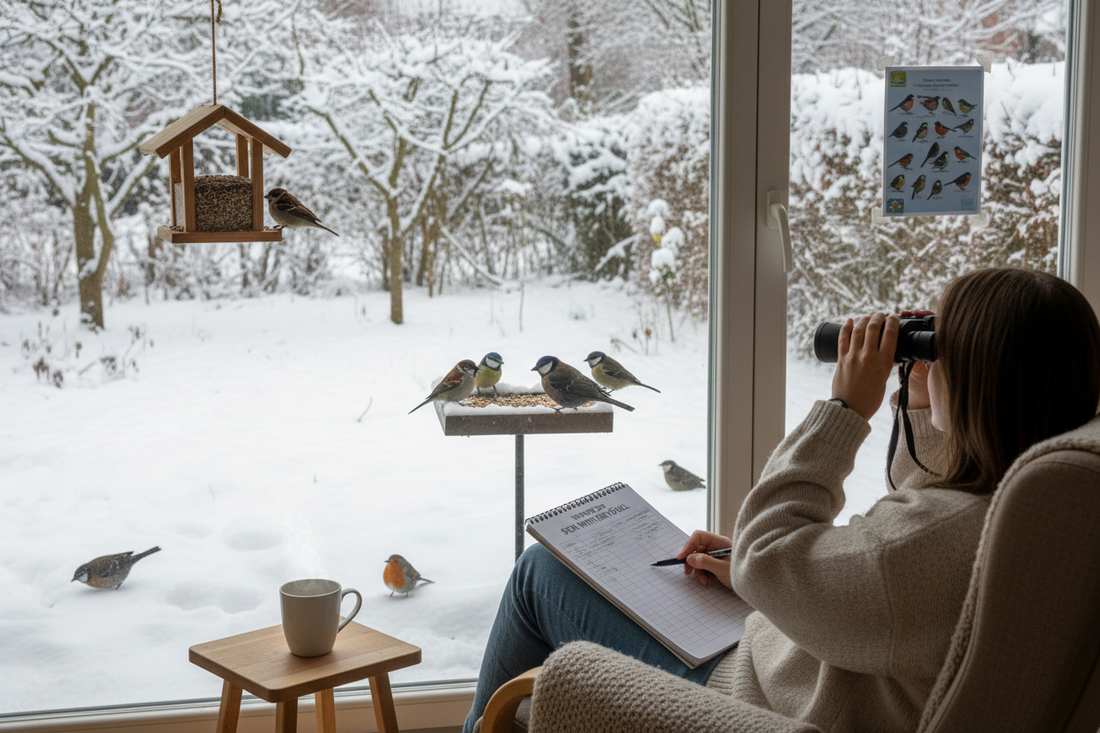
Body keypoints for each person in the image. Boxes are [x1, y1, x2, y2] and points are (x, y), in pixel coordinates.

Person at [462, 267, 1100, 733]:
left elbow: (777, 553)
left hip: (748, 696)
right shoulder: (1031, 510)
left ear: (978, 382)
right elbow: (922, 509)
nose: (921, 365)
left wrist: (846, 409)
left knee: (540, 573)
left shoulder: (923, 545)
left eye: (937, 353)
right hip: (801, 640)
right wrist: (927, 399)